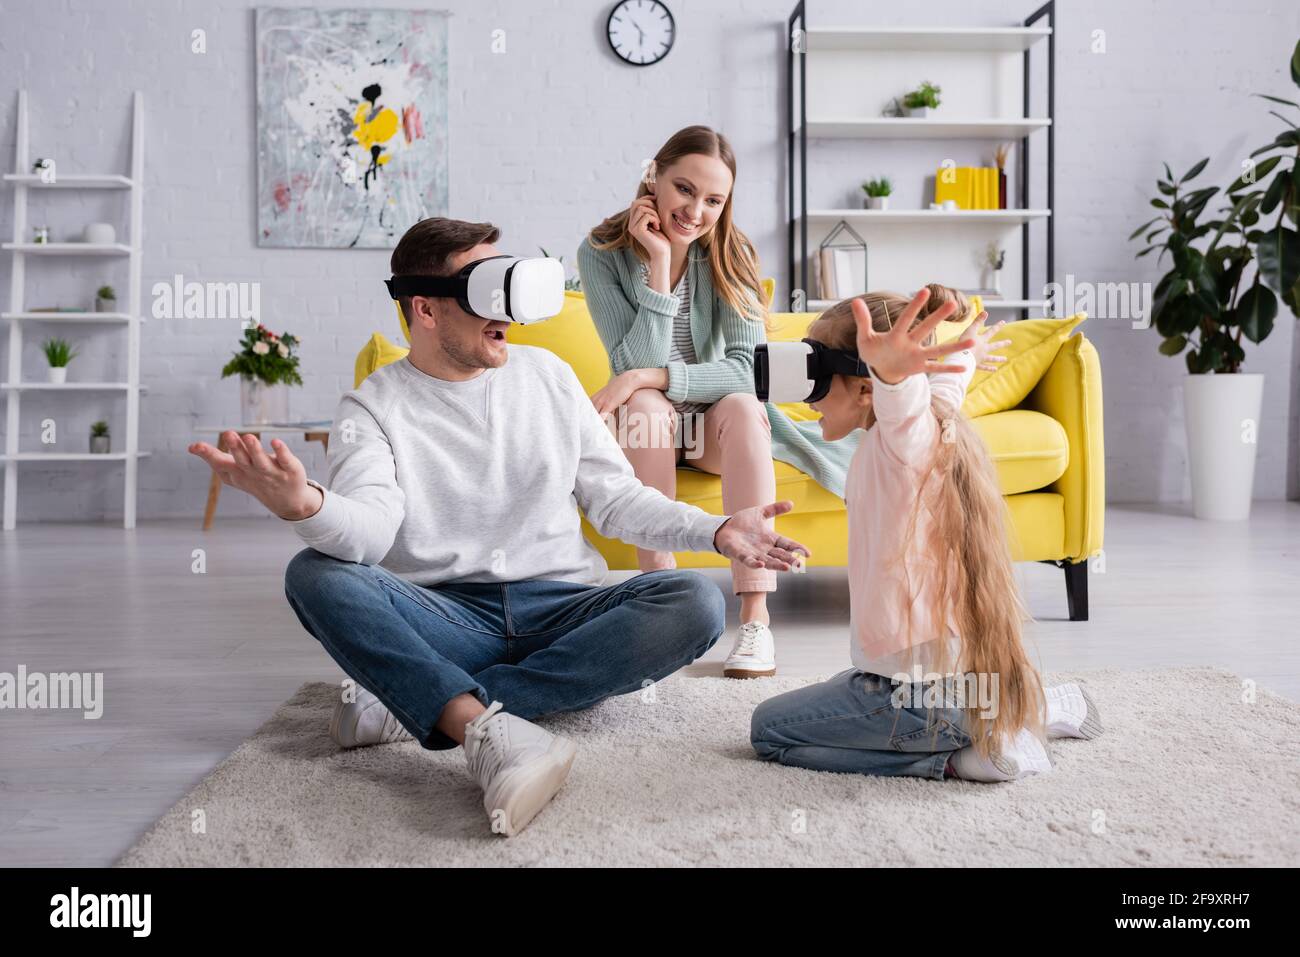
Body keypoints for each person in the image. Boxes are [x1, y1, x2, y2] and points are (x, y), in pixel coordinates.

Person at [190, 217, 809, 837]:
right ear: (425, 310)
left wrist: (719, 528)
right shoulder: (373, 407)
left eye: (506, 285)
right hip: (445, 621)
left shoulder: (547, 377)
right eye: (484, 290)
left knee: (695, 601)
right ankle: (483, 727)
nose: (506, 311)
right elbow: (370, 535)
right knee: (315, 574)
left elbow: (617, 501)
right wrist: (305, 504)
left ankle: (428, 706)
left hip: (565, 612)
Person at [750, 285, 1103, 781]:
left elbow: (905, 403)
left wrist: (893, 374)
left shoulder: (901, 445)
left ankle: (961, 759)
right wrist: (961, 359)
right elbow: (940, 390)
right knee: (844, 685)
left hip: (923, 699)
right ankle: (1035, 708)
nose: (809, 401)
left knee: (769, 729)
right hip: (972, 684)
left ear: (869, 387)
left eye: (819, 379)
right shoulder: (937, 427)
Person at [578, 125, 856, 679]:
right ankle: (661, 602)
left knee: (743, 407)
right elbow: (631, 359)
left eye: (713, 200)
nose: (695, 211)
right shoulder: (602, 253)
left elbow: (743, 370)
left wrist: (649, 375)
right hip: (645, 426)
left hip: (711, 429)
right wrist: (659, 264)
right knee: (647, 408)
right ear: (653, 176)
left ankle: (756, 618)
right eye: (684, 189)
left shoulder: (733, 255)